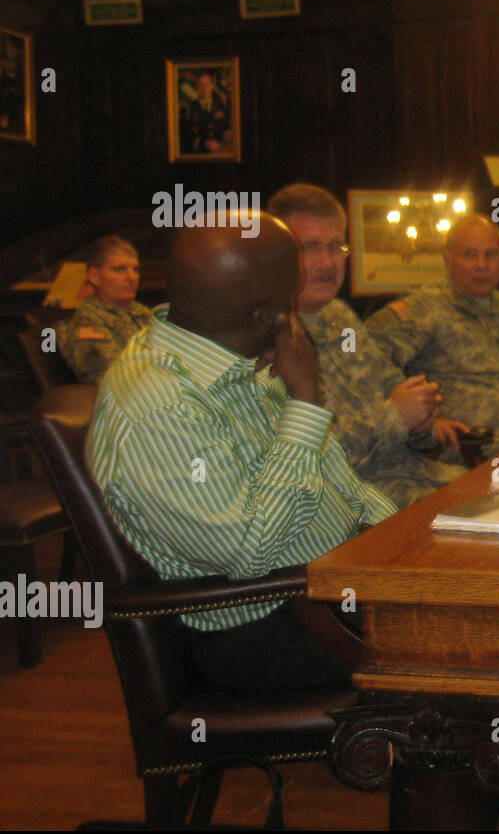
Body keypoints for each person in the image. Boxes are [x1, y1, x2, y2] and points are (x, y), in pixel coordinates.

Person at [87, 213, 395, 689]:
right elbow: (248, 551)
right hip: (275, 622)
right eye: (290, 300)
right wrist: (307, 402)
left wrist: (392, 535)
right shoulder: (159, 406)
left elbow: (332, 479)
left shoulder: (229, 348)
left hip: (335, 584)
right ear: (263, 317)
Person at [271, 183, 466, 507]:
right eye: (309, 248)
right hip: (356, 507)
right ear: (278, 253)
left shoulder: (340, 317)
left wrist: (423, 415)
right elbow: (303, 462)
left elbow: (390, 386)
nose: (327, 263)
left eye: (336, 247)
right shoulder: (265, 337)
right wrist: (395, 417)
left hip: (421, 479)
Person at [366, 214, 499, 464]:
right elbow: (363, 356)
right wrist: (421, 418)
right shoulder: (425, 308)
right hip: (474, 450)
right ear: (448, 262)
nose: (482, 265)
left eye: (491, 254)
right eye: (469, 255)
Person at [56, 235, 152, 384]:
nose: (132, 277)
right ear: (94, 276)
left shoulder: (143, 312)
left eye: (136, 269)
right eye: (120, 269)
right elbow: (111, 379)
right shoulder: (88, 321)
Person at [181, 71, 230, 154]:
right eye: (200, 85)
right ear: (196, 88)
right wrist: (203, 143)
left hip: (220, 152)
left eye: (206, 85)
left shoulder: (222, 107)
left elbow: (228, 129)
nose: (204, 88)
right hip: (198, 153)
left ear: (212, 86)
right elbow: (183, 134)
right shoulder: (188, 109)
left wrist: (220, 143)